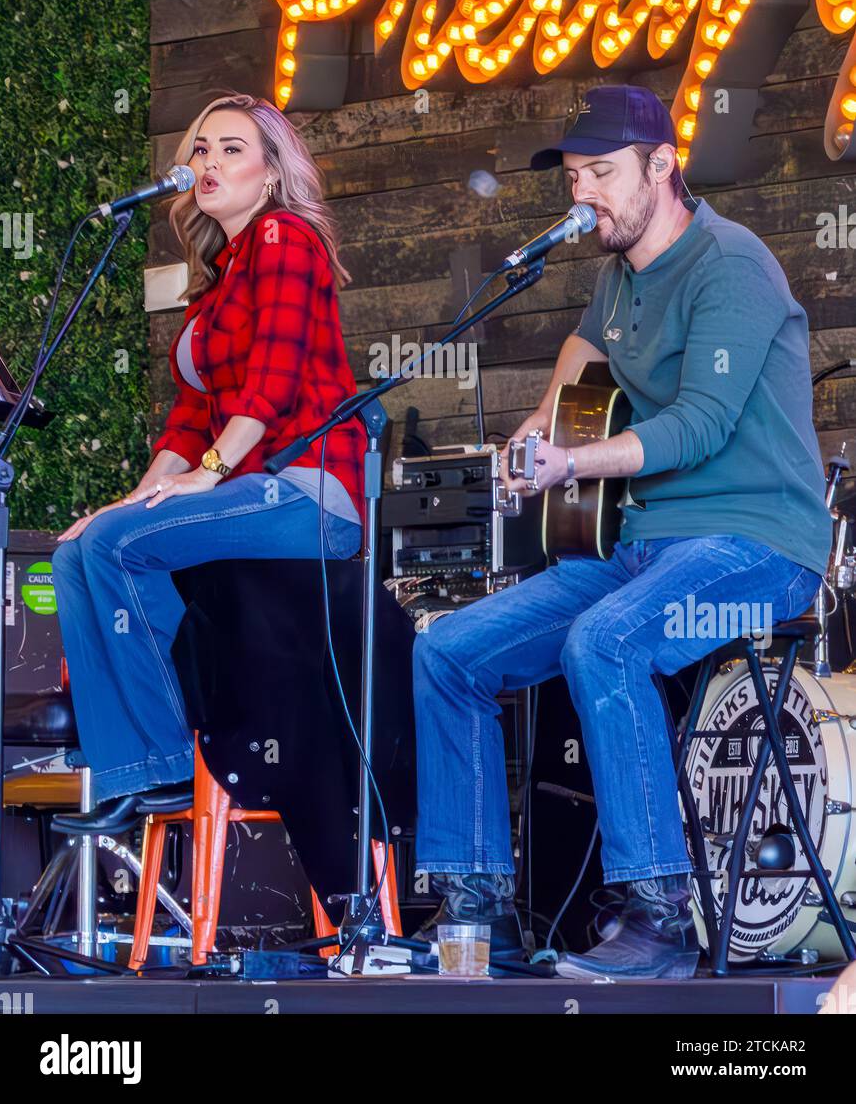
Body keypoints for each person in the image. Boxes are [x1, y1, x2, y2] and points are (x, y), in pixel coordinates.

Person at [412, 84, 831, 979]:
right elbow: (587, 351)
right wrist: (542, 423)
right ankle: (475, 909)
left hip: (757, 548)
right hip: (644, 549)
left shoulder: (731, 263)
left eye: (600, 172)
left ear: (662, 166)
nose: (582, 194)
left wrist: (571, 465)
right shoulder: (617, 277)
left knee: (605, 642)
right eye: (572, 178)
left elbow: (701, 426)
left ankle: (661, 914)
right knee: (448, 650)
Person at [51, 92, 364, 835]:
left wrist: (215, 469)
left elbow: (276, 378)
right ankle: (132, 771)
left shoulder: (287, 237)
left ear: (270, 171)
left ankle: (163, 761)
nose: (210, 162)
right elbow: (191, 419)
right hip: (247, 480)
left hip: (309, 490)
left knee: (115, 547)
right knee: (79, 549)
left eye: (231, 149)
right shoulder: (219, 275)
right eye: (200, 149)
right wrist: (130, 500)